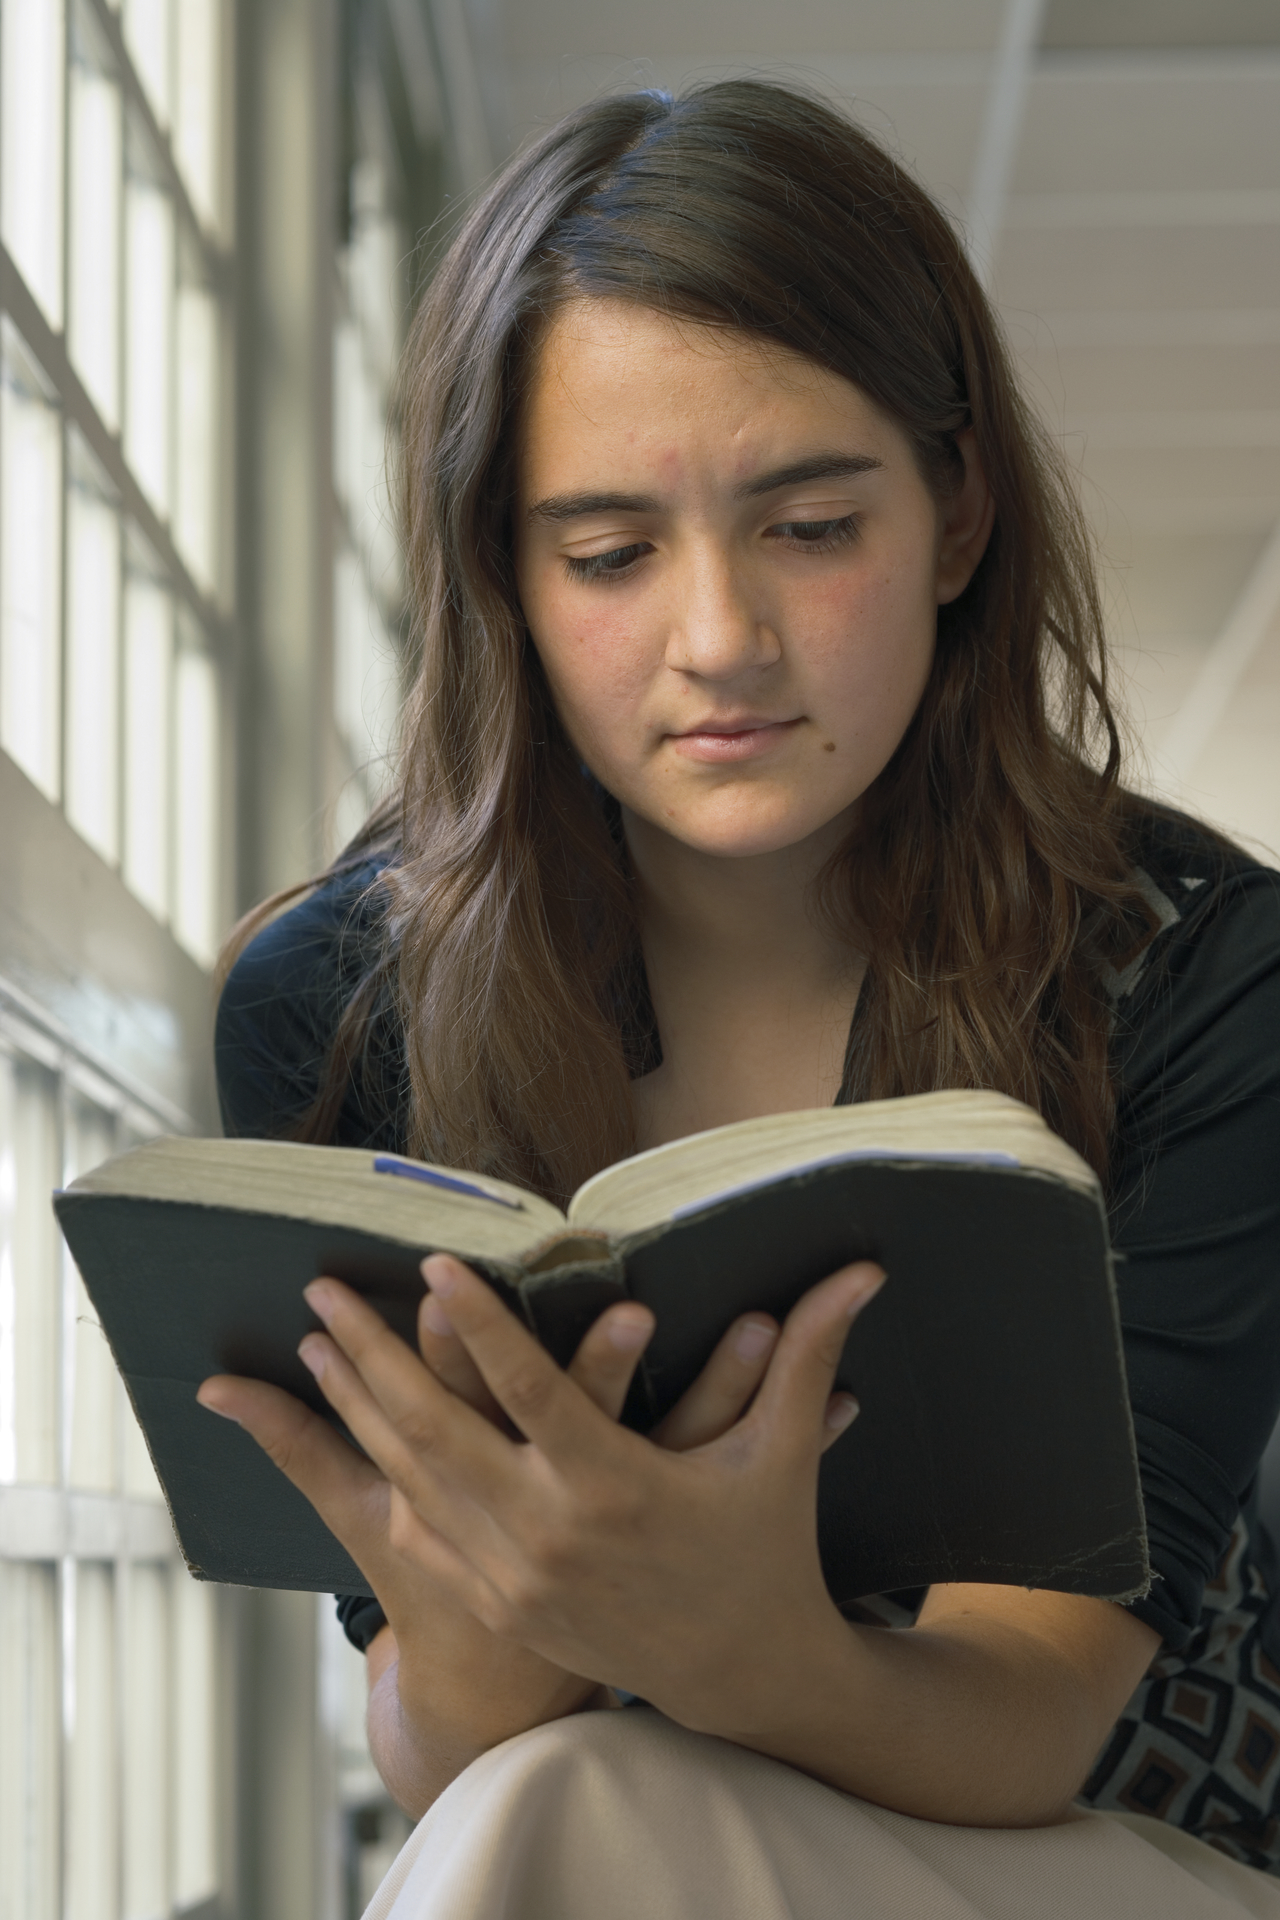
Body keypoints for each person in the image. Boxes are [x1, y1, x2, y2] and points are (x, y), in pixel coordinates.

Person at [204, 82, 1280, 1919]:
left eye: (808, 525)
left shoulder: (1196, 964)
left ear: (957, 518)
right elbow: (444, 1730)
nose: (719, 639)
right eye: (610, 555)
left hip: (1104, 1848)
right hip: (594, 1827)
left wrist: (737, 1641)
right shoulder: (337, 1003)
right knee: (547, 1801)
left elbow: (1052, 1708)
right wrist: (476, 1624)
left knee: (561, 1814)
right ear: (507, 589)